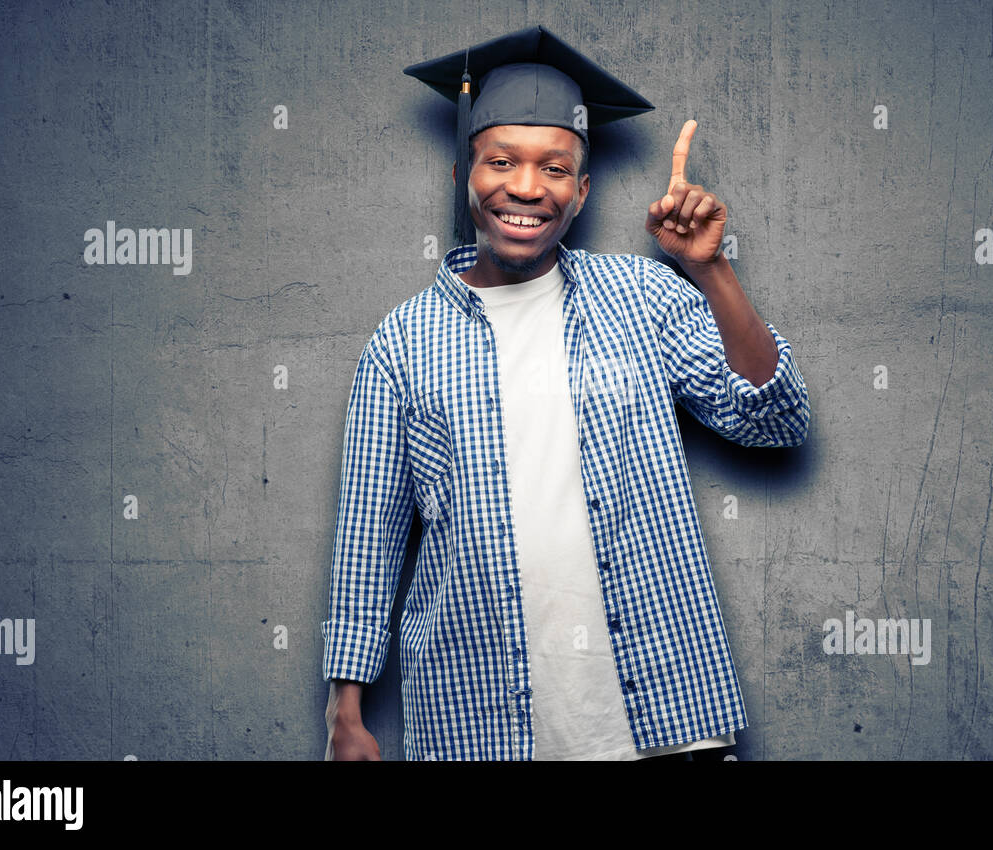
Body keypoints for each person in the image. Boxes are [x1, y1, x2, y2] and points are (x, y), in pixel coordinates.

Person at [322, 25, 811, 761]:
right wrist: (346, 713)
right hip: (477, 719)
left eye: (554, 169)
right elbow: (369, 532)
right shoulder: (403, 343)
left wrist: (711, 272)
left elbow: (775, 420)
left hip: (667, 712)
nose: (526, 187)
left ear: (580, 192)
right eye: (500, 161)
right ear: (464, 174)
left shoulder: (641, 295)